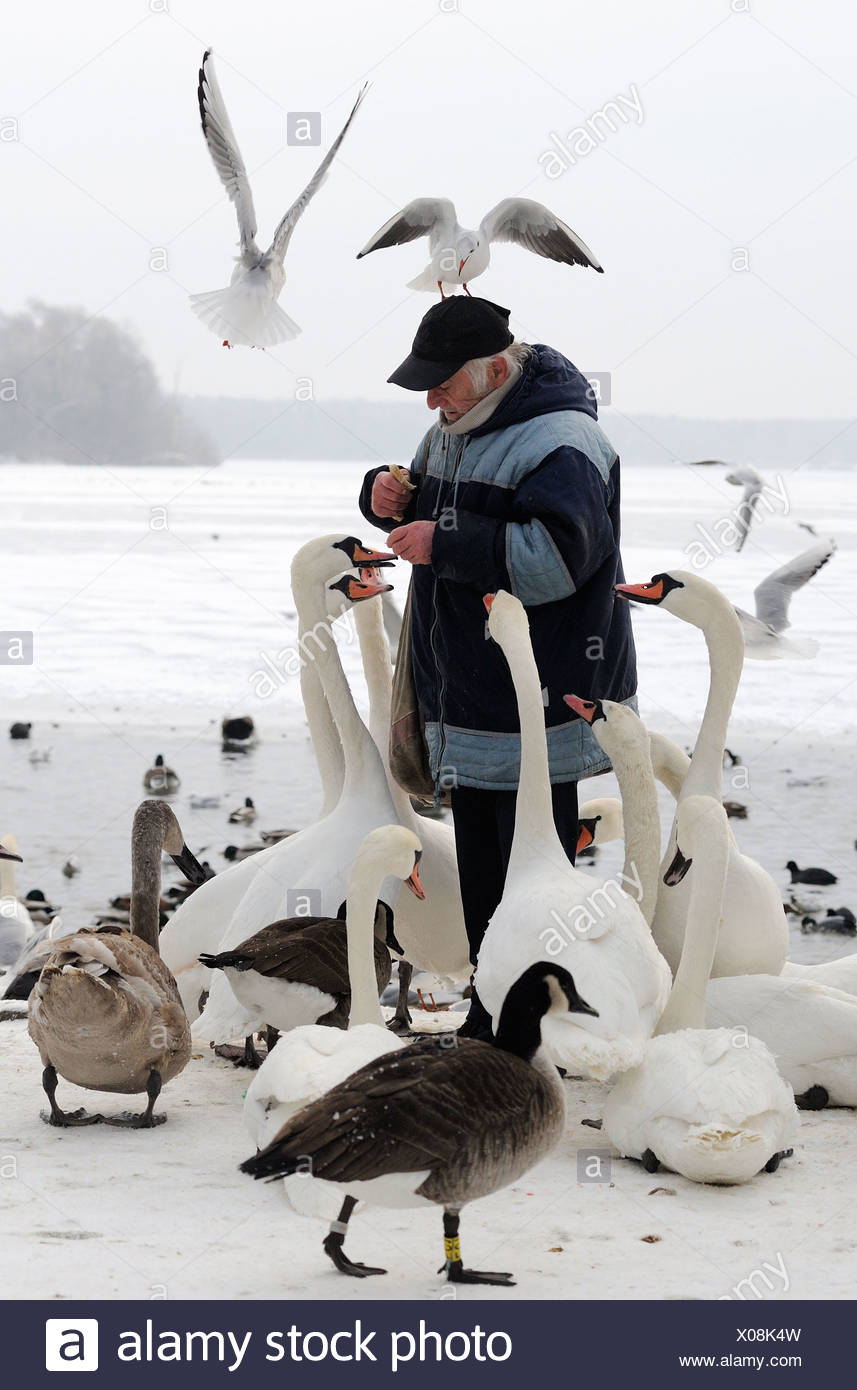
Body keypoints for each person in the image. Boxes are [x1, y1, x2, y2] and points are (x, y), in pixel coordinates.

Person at [358, 296, 636, 1040]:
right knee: (486, 866)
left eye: (439, 380)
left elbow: (555, 563)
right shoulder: (454, 425)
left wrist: (442, 542)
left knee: (535, 876)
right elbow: (429, 514)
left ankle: (522, 1027)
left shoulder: (561, 442)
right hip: (471, 692)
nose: (429, 397)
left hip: (540, 695)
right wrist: (384, 498)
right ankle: (492, 1015)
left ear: (488, 369)